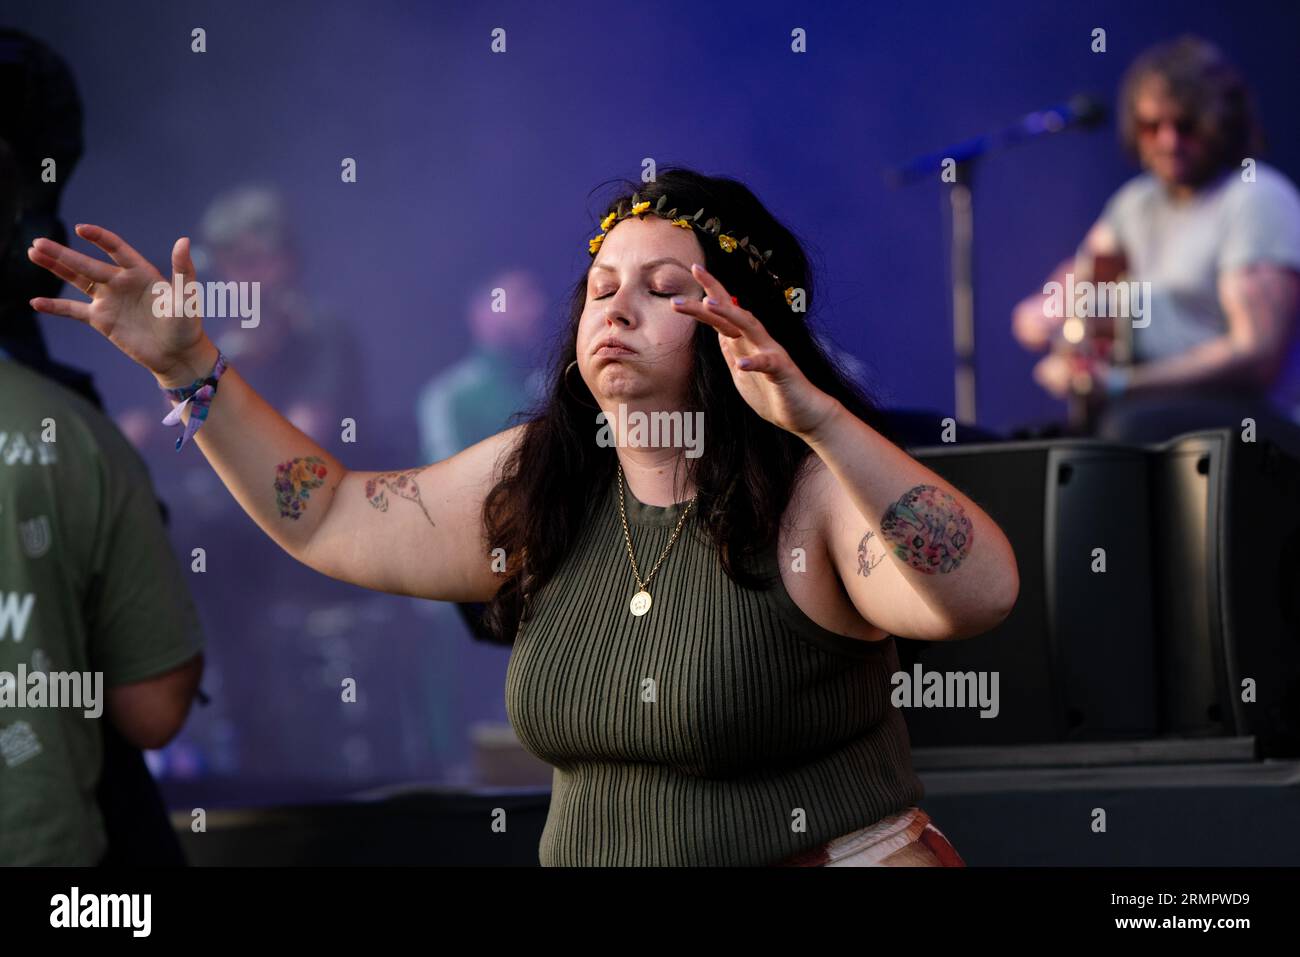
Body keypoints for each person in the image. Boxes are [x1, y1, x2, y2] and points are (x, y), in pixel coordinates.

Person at [27, 167, 1020, 866]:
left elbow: (979, 595)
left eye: (663, 289)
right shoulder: (537, 480)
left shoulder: (809, 493)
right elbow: (326, 512)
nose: (615, 309)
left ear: (739, 319)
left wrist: (819, 419)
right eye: (600, 286)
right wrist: (188, 368)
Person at [1012, 35, 1300, 452]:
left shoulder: (1255, 197)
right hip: (1149, 411)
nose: (1168, 141)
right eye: (1151, 126)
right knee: (1044, 442)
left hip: (1257, 425)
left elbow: (1254, 356)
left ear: (1220, 122)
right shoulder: (1136, 203)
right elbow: (1084, 277)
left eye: (1185, 125)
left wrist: (1120, 384)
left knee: (1122, 430)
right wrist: (1046, 318)